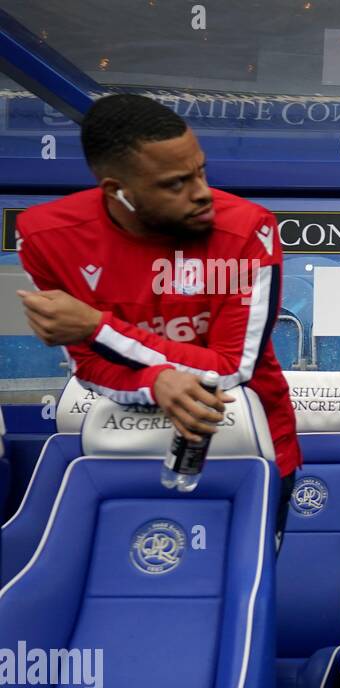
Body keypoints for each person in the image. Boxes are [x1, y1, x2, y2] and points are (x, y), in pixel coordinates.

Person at [16, 94, 302, 537]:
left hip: (249, 449)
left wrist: (97, 326)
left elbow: (232, 368)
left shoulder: (245, 229)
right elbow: (88, 365)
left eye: (201, 171)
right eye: (175, 184)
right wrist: (155, 381)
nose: (202, 192)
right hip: (129, 448)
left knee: (240, 602)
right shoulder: (46, 236)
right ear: (118, 191)